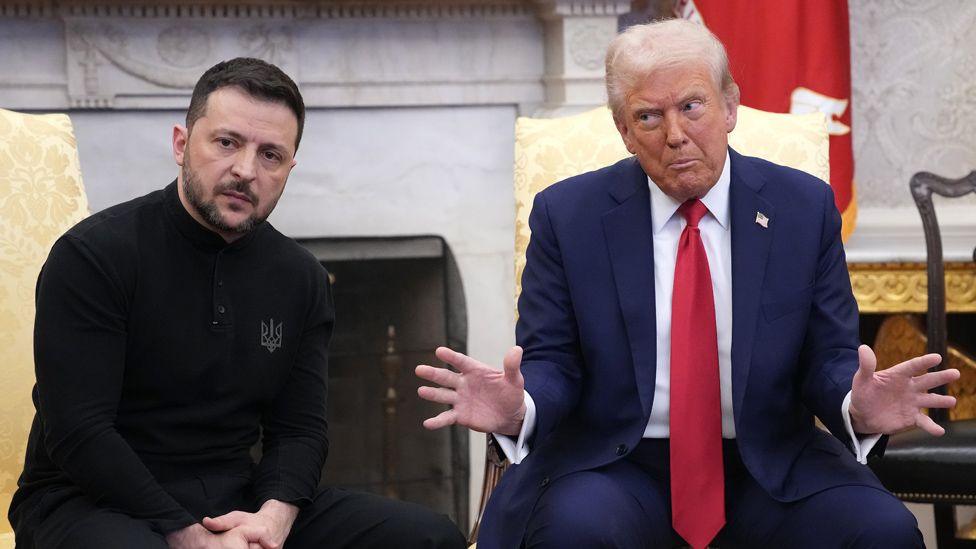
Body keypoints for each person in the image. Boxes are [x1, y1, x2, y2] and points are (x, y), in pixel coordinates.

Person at [415, 19, 959, 549]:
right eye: (648, 116)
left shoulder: (801, 208)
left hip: (770, 463)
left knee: (880, 531)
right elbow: (553, 361)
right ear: (624, 132)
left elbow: (828, 357)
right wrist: (520, 407)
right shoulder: (568, 216)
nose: (675, 135)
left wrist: (854, 405)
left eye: (691, 106)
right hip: (615, 465)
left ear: (730, 108)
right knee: (571, 533)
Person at [9, 57, 466, 549]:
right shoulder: (94, 256)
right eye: (226, 142)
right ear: (182, 144)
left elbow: (300, 432)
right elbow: (80, 433)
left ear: (290, 168)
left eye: (270, 155)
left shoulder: (301, 278)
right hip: (88, 502)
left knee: (428, 537)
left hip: (235, 497)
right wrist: (187, 536)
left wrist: (272, 520)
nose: (245, 170)